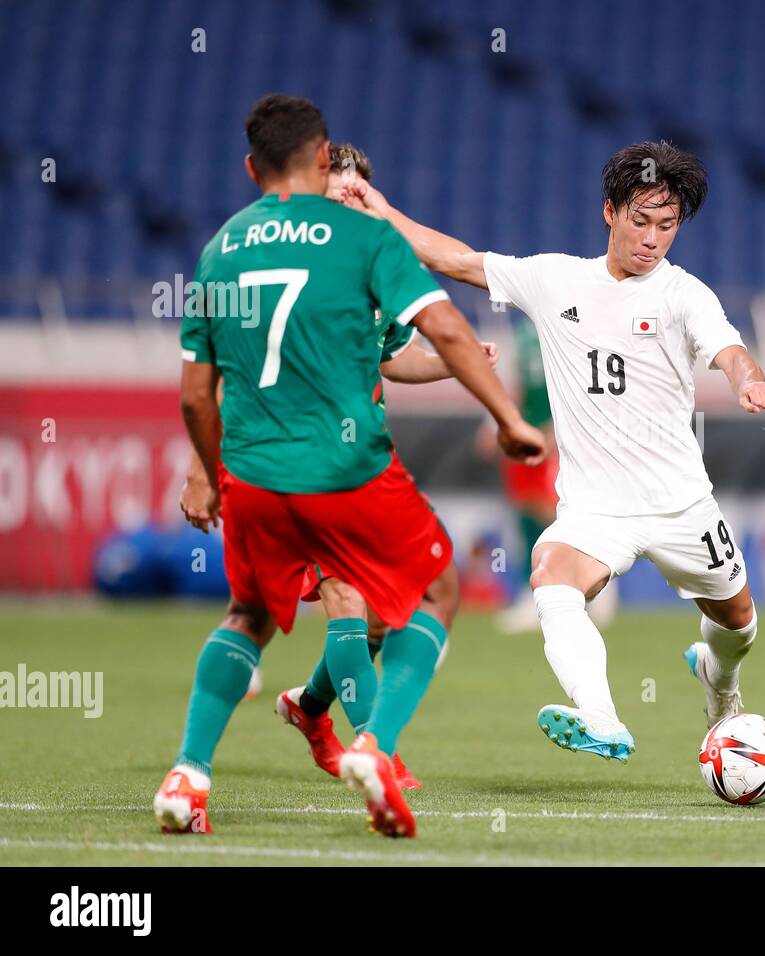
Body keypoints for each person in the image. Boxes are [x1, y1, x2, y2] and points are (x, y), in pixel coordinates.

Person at [157, 95, 543, 837]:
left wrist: (208, 470)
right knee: (434, 591)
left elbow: (196, 394)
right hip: (342, 472)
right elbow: (449, 328)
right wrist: (510, 417)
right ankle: (377, 748)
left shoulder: (220, 248)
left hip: (253, 474)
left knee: (249, 614)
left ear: (252, 166)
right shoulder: (362, 241)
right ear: (321, 154)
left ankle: (190, 770)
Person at [345, 141, 765, 760]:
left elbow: (730, 352)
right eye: (640, 220)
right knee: (550, 573)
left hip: (682, 504)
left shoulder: (685, 295)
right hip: (595, 509)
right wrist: (382, 209)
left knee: (739, 622)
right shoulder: (554, 280)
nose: (653, 239)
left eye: (667, 225)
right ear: (610, 212)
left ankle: (719, 678)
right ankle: (601, 719)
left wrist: (747, 381)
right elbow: (459, 260)